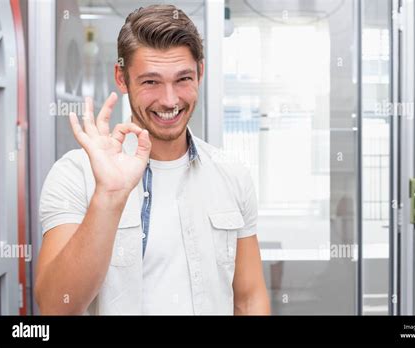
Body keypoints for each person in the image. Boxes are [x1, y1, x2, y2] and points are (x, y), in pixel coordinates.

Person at [34, 4, 270, 315]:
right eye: (150, 82)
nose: (170, 100)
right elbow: (55, 306)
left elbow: (249, 299)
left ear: (200, 72)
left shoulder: (232, 174)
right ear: (122, 78)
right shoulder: (75, 174)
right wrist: (109, 196)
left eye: (183, 79)